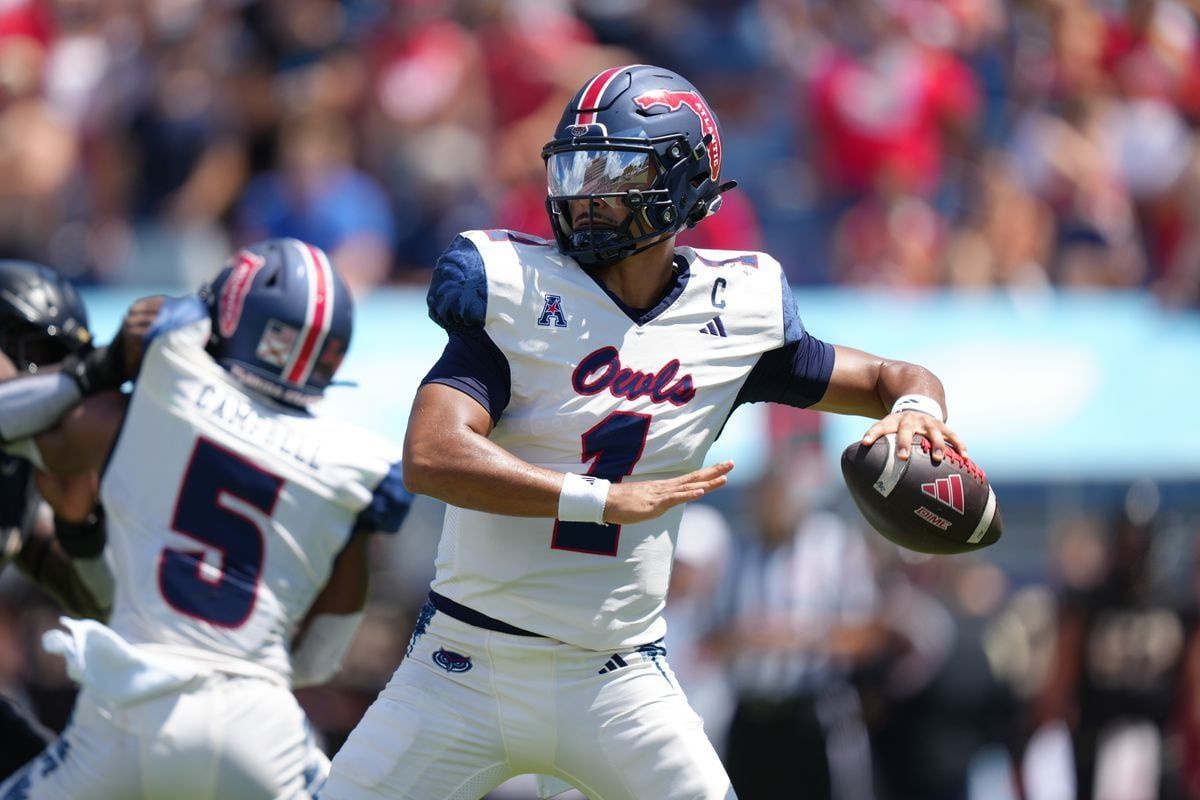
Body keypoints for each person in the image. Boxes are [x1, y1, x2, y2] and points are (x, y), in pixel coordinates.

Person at [320, 64, 968, 800]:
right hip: (463, 662)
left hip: (617, 678)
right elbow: (432, 453)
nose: (585, 192)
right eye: (574, 166)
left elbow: (895, 377)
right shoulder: (515, 291)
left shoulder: (735, 313)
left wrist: (920, 411)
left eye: (613, 169)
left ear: (687, 181)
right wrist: (596, 500)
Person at [0, 238, 412, 800]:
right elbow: (318, 661)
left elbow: (25, 425)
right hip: (259, 725)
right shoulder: (354, 467)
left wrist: (100, 370)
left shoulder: (158, 392)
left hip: (127, 709)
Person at [0, 259, 112, 782]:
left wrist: (78, 526)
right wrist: (97, 371)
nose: (53, 378)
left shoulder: (21, 472)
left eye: (65, 362)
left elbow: (100, 603)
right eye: (40, 355)